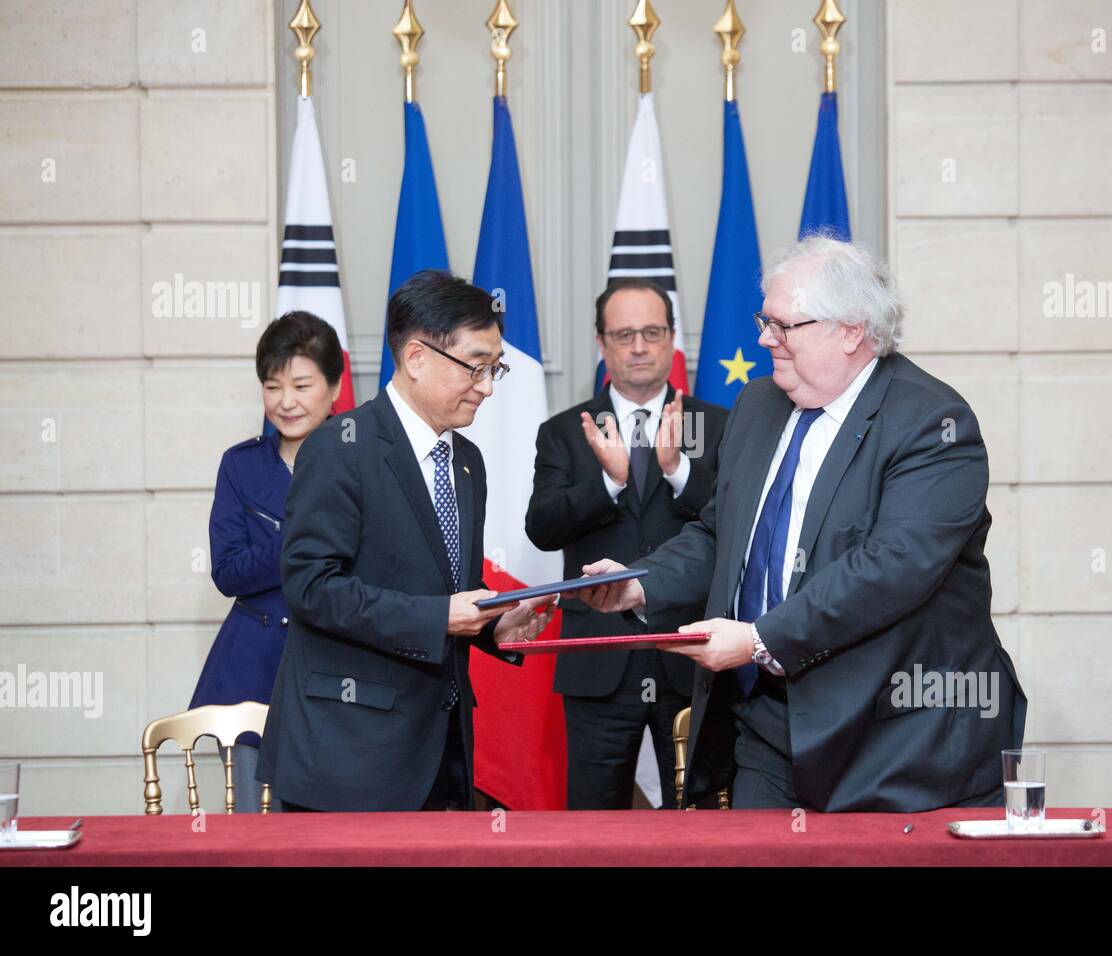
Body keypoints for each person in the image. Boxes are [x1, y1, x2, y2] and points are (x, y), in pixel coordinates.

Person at [575, 234, 1028, 812]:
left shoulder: (933, 424)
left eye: (784, 326)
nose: (765, 338)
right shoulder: (759, 405)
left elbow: (892, 568)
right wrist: (640, 583)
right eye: (767, 320)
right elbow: (722, 537)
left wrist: (759, 640)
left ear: (851, 331)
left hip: (898, 740)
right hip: (766, 728)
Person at [256, 270, 555, 812]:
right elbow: (311, 588)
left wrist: (495, 622)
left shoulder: (466, 461)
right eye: (477, 367)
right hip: (348, 756)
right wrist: (438, 616)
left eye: (496, 369)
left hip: (442, 751)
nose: (488, 386)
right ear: (417, 358)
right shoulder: (339, 448)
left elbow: (446, 585)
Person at [526, 279, 728, 809]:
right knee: (593, 827)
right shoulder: (565, 431)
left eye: (651, 332)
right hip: (598, 664)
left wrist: (677, 469)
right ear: (601, 343)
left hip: (690, 657)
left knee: (697, 822)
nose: (638, 346)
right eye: (623, 335)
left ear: (671, 339)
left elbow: (737, 525)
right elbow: (541, 527)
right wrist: (607, 484)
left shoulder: (718, 424)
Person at [189, 310, 344, 813]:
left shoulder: (363, 460)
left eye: (301, 384)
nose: (286, 401)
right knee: (260, 833)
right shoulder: (241, 464)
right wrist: (300, 539)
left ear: (335, 385)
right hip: (252, 671)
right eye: (273, 386)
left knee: (338, 834)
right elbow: (229, 571)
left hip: (339, 669)